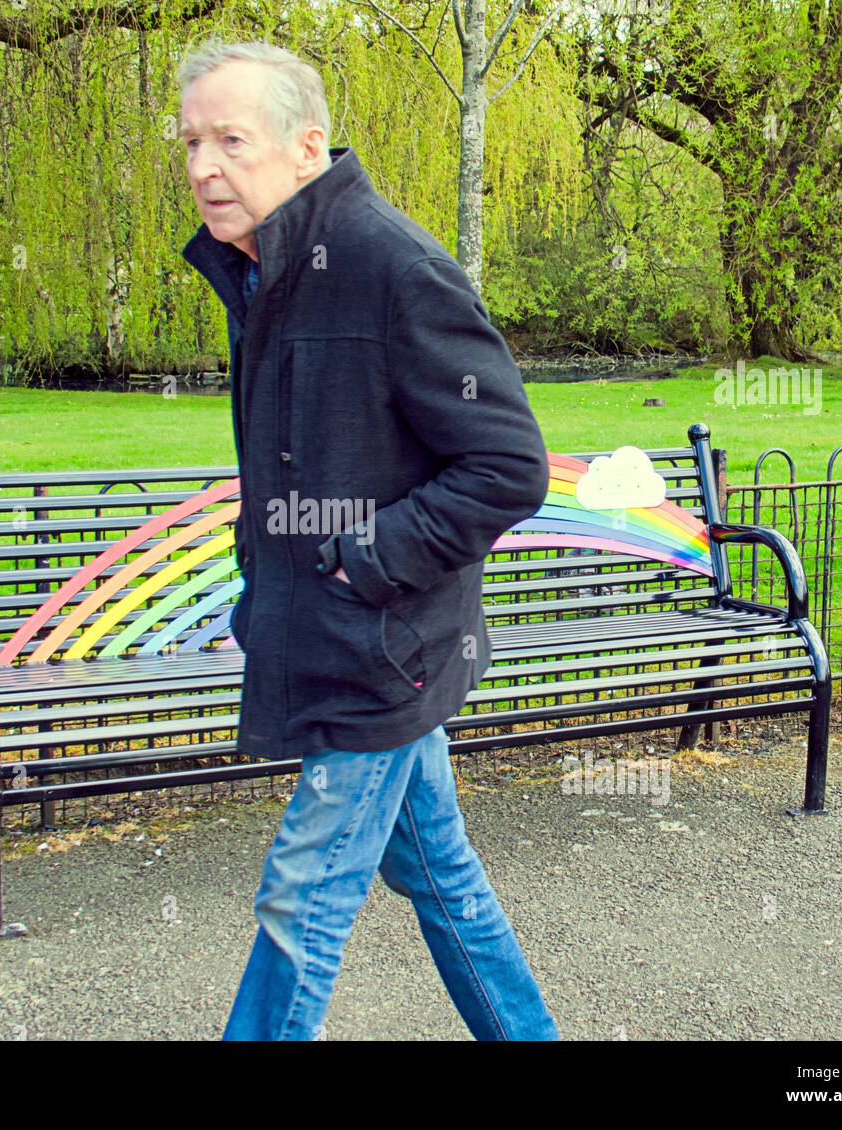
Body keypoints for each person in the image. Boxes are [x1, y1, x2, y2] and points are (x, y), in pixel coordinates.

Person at [178, 39, 558, 1041]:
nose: (204, 166)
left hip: (377, 651)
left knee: (302, 897)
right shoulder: (266, 267)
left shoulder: (393, 267)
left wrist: (365, 560)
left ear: (306, 145)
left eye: (230, 140)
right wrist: (266, 589)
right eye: (191, 142)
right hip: (332, 633)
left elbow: (508, 465)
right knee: (442, 879)